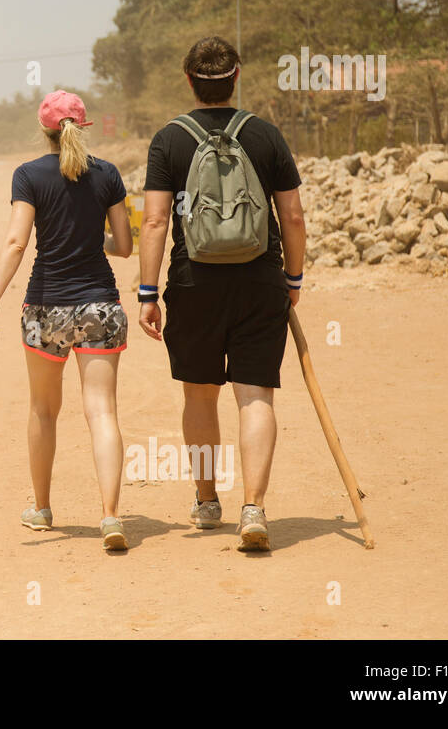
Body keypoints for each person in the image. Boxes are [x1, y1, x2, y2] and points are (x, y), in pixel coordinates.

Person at [138, 37, 307, 552]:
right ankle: (253, 508)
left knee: (199, 393)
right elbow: (292, 215)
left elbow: (155, 221)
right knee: (255, 394)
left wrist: (148, 293)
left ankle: (208, 500)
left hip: (194, 283)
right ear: (236, 77)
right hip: (261, 280)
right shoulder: (266, 135)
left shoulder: (169, 140)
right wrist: (292, 280)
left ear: (189, 80)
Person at [0, 90, 134, 550]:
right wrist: (92, 239)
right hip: (100, 307)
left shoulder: (28, 175)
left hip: (45, 309)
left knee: (44, 411)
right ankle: (111, 516)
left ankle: (42, 510)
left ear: (44, 130)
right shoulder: (107, 174)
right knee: (102, 411)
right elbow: (125, 245)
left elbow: (16, 243)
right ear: (83, 127)